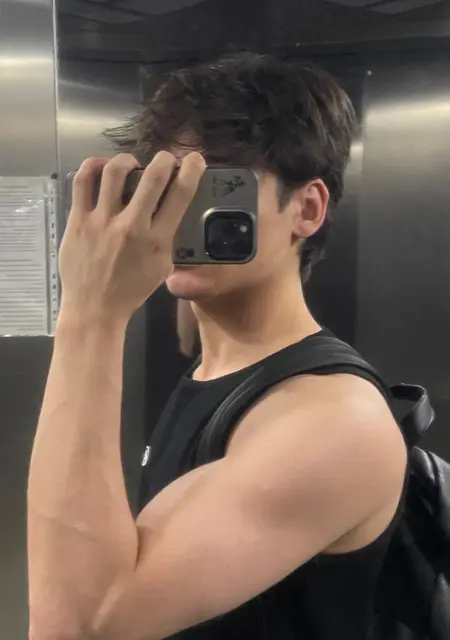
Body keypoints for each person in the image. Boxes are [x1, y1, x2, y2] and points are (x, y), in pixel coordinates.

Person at [27, 53, 407, 640]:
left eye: (219, 187)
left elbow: (75, 628)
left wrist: (91, 312)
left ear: (306, 209)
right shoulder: (216, 367)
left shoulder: (335, 422)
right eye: (169, 188)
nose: (184, 216)